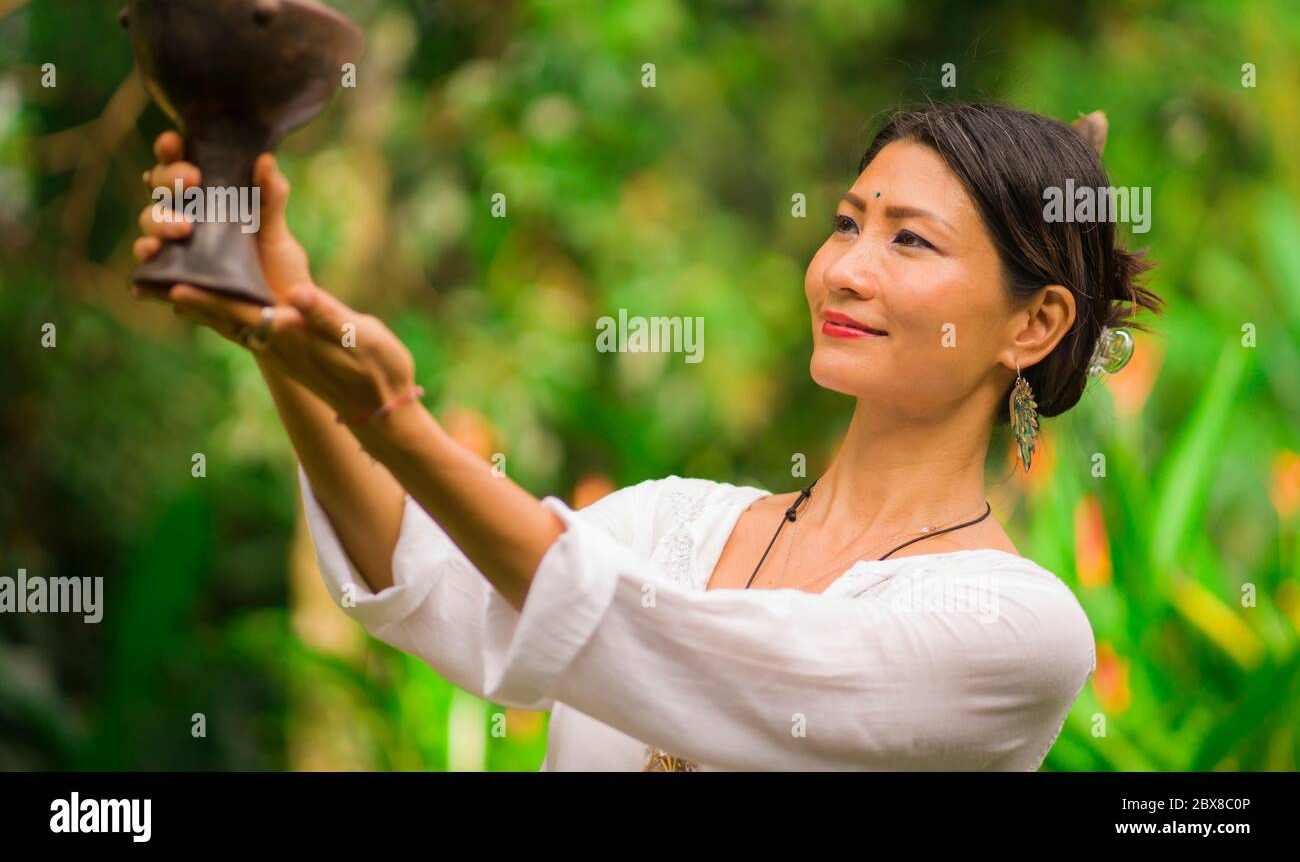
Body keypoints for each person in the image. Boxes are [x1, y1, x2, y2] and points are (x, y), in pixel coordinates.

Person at [131, 101, 1162, 771]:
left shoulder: (1015, 630)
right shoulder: (670, 523)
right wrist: (275, 323)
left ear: (1034, 324)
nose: (846, 268)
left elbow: (655, 645)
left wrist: (392, 419)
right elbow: (425, 582)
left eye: (910, 241)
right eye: (847, 223)